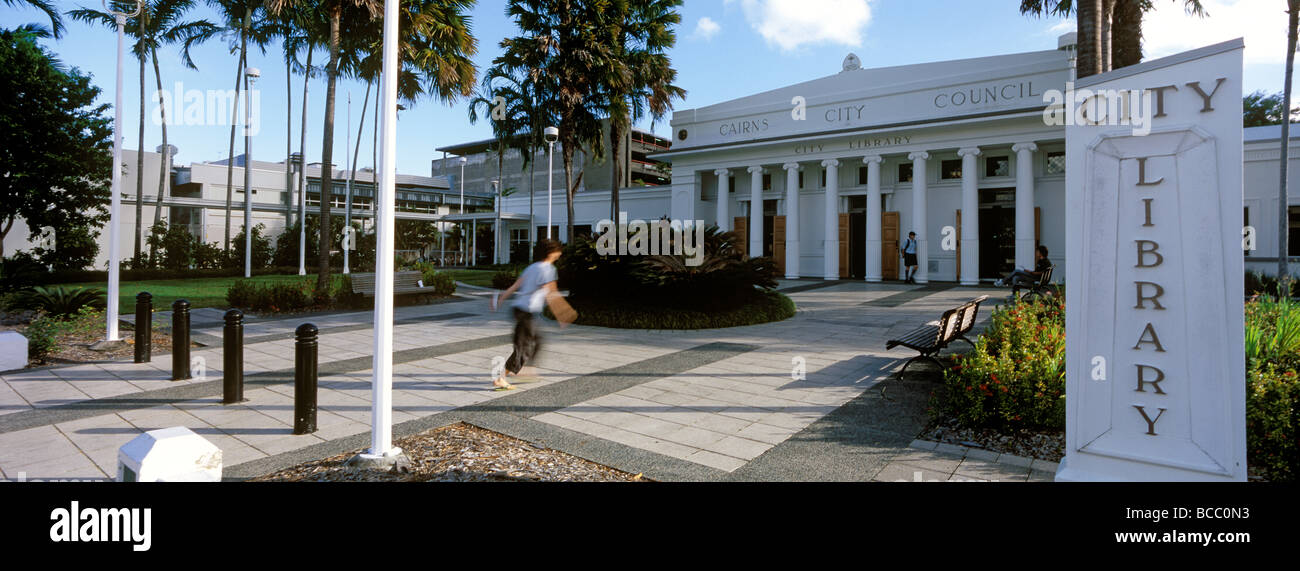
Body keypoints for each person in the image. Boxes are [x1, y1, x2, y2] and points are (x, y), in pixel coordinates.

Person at [489, 239, 575, 390]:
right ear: (552, 252)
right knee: (523, 347)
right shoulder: (547, 269)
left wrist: (500, 299)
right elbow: (551, 293)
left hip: (521, 309)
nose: (560, 253)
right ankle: (500, 378)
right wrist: (563, 314)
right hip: (526, 312)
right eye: (558, 250)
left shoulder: (532, 267)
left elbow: (516, 286)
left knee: (538, 341)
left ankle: (524, 371)